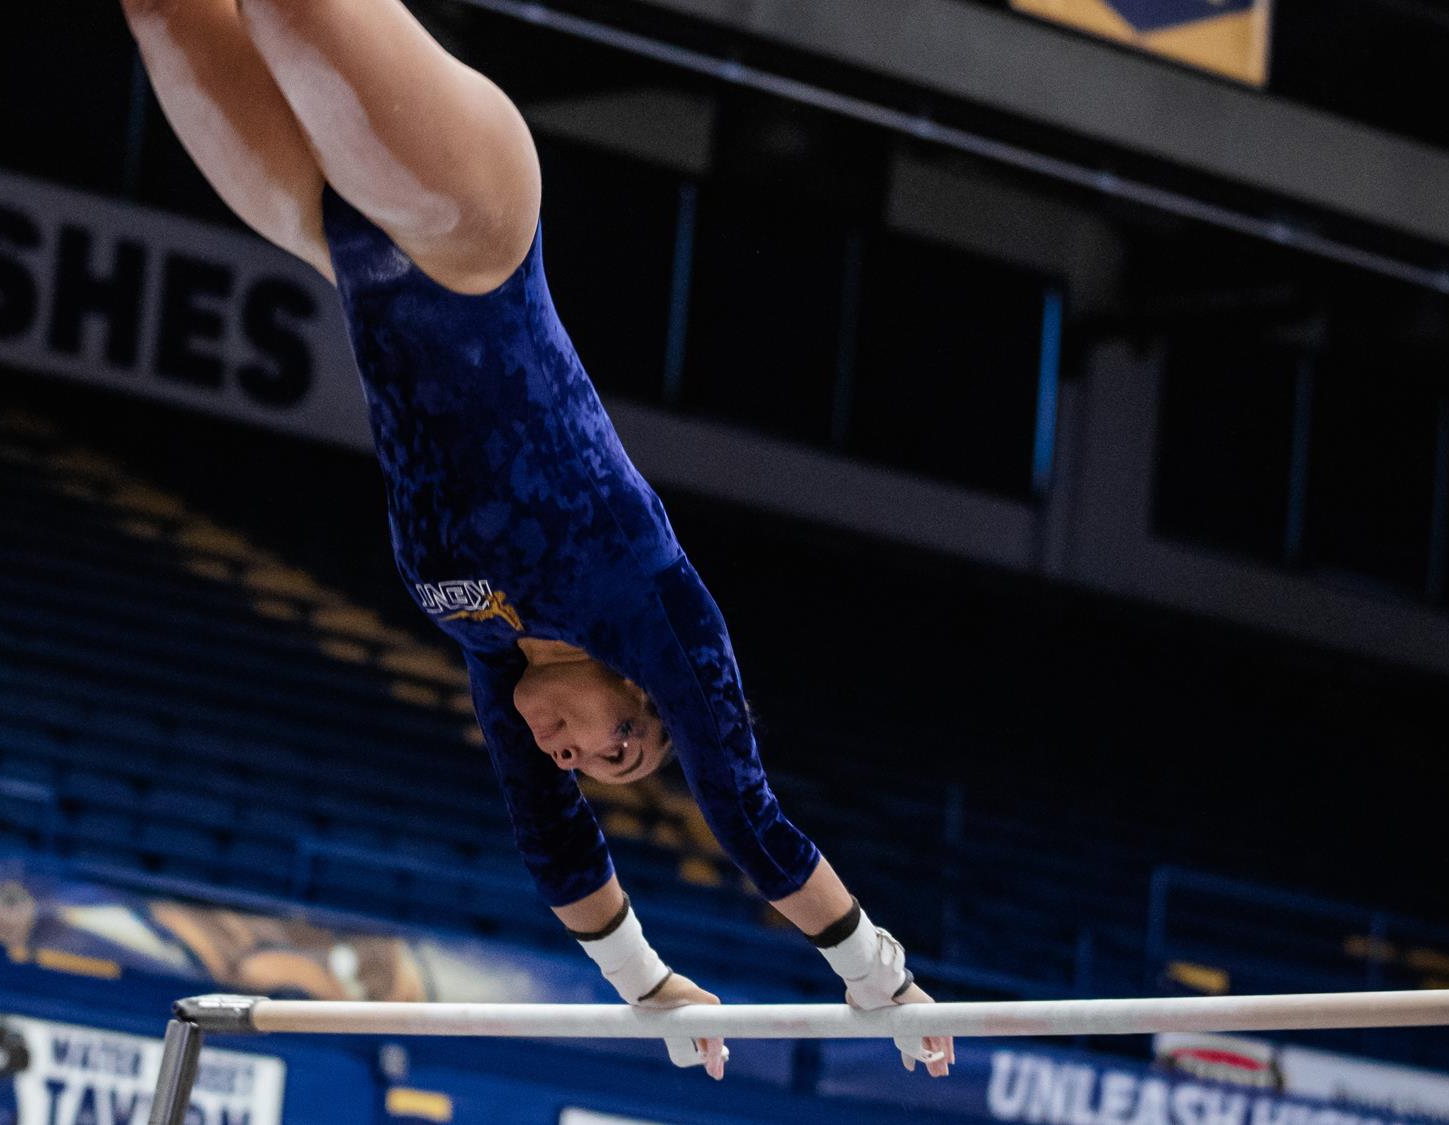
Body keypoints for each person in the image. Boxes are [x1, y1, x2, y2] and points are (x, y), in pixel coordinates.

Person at [120, 0, 955, 1080]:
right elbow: (742, 809)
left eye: (588, 769)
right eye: (621, 749)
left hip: (349, 246)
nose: (579, 761)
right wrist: (877, 978)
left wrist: (644, 983)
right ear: (640, 689)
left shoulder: (493, 644)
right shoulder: (645, 601)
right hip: (472, 232)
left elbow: (550, 837)